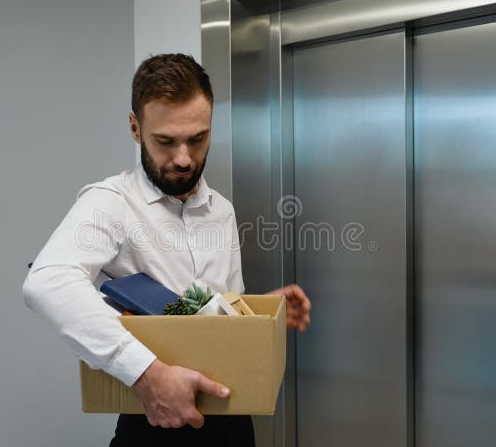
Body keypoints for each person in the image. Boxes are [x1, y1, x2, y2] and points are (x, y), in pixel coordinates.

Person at [22, 53, 311, 447]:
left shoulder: (221, 210)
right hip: (152, 425)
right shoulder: (110, 203)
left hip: (232, 424)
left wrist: (254, 312)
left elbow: (214, 313)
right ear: (135, 128)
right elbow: (47, 282)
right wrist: (147, 374)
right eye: (165, 141)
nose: (183, 159)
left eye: (198, 139)